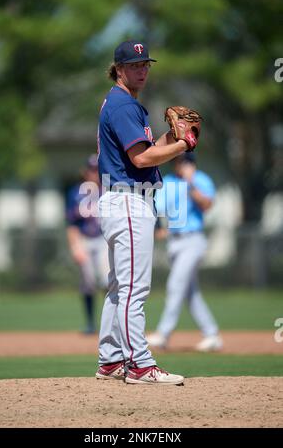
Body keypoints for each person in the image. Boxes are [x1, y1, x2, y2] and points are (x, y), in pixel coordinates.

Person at [95, 40, 196, 385]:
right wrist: (183, 145)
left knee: (119, 288)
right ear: (119, 69)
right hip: (128, 201)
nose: (142, 70)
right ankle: (139, 364)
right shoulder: (123, 105)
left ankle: (110, 360)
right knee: (134, 289)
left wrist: (169, 137)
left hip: (121, 199)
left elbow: (145, 150)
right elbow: (140, 159)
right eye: (134, 65)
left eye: (145, 65)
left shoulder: (123, 104)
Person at [147, 152, 223, 351]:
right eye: (176, 161)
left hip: (193, 240)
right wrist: (159, 228)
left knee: (175, 284)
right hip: (174, 241)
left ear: (191, 164)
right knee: (190, 293)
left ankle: (163, 334)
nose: (178, 165)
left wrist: (190, 183)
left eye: (182, 162)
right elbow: (159, 207)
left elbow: (207, 205)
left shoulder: (200, 180)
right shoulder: (168, 181)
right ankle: (212, 334)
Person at [66, 154, 109, 334]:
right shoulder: (76, 193)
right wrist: (75, 247)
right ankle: (91, 324)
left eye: (97, 169)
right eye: (91, 169)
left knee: (108, 281)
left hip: (104, 240)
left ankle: (111, 324)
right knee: (88, 283)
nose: (94, 173)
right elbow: (71, 224)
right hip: (84, 239)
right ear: (85, 172)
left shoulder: (109, 192)